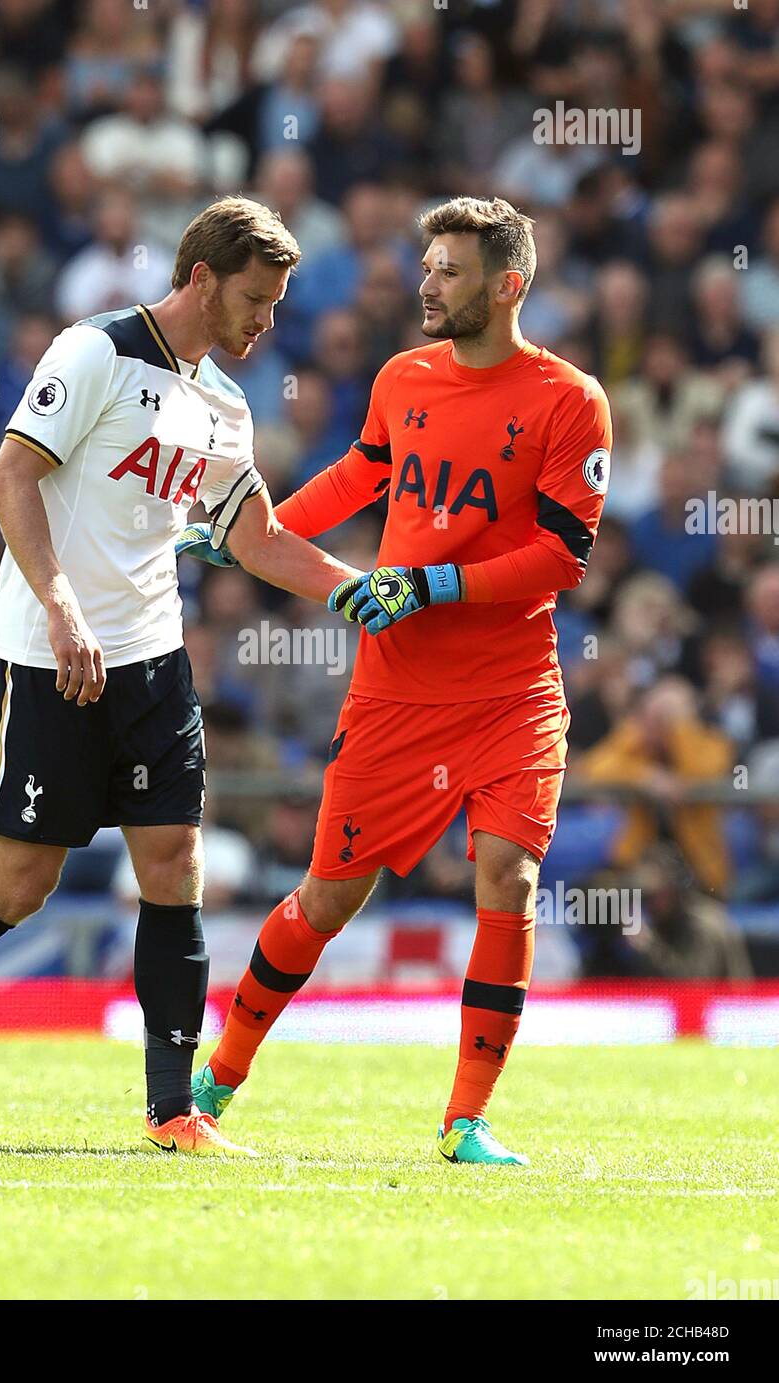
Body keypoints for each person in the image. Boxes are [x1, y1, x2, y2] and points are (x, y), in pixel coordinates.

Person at [0, 196, 360, 1156]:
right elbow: (8, 478)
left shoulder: (224, 405)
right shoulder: (94, 352)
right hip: (47, 653)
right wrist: (62, 609)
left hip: (151, 658)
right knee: (18, 886)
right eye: (254, 299)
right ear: (201, 278)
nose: (266, 321)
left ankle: (172, 1111)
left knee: (173, 864)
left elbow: (254, 537)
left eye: (276, 304)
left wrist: (353, 590)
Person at [182, 196, 613, 1165]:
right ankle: (221, 1073)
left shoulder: (570, 398)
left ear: (507, 285)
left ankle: (465, 1120)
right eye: (427, 266)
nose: (427, 283)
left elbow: (562, 557)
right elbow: (359, 475)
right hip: (397, 693)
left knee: (510, 876)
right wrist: (252, 533)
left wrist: (432, 583)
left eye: (449, 271)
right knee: (327, 901)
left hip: (511, 691)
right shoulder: (401, 377)